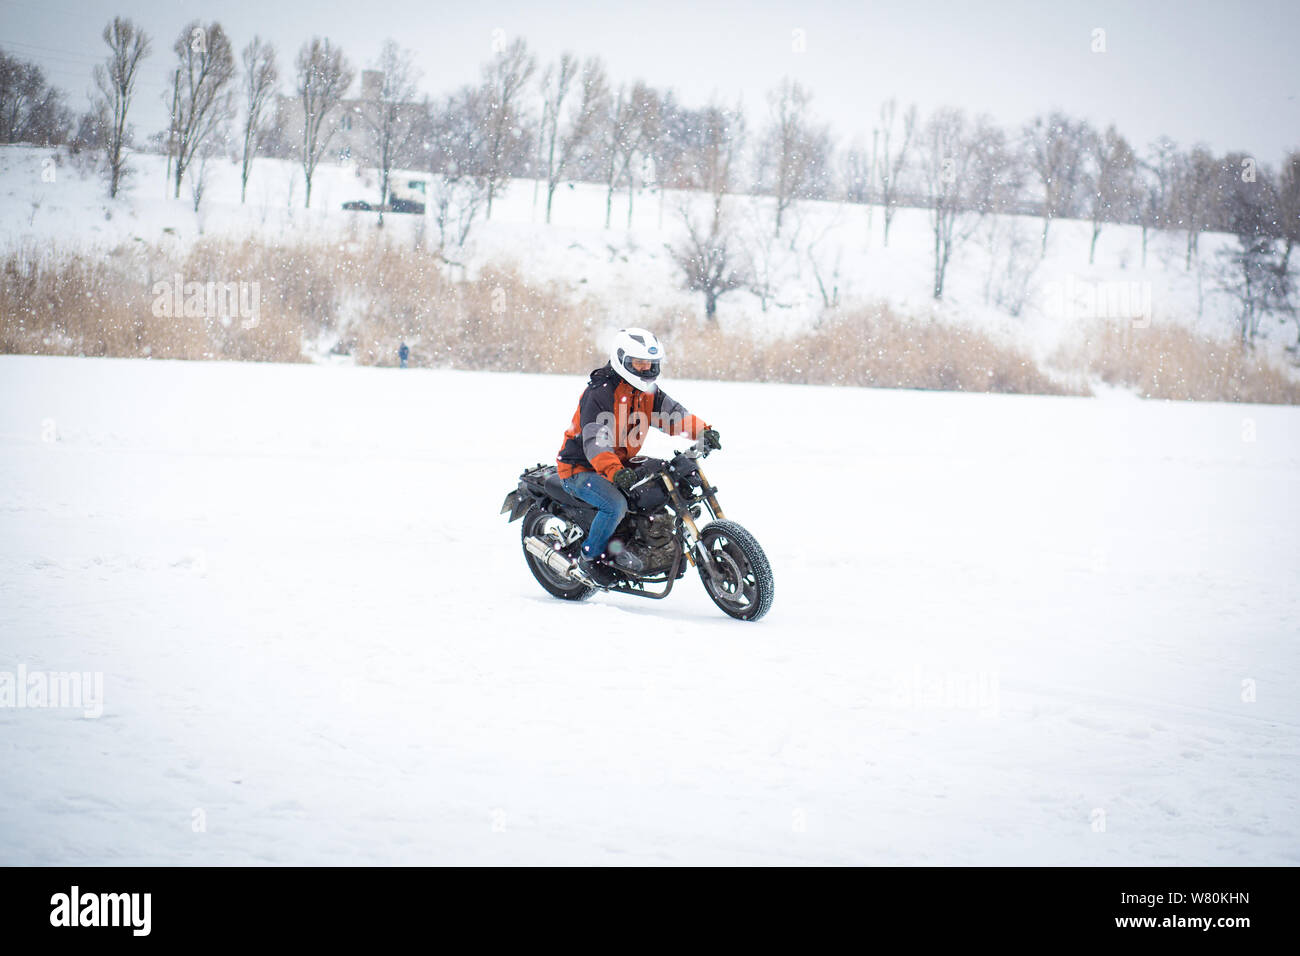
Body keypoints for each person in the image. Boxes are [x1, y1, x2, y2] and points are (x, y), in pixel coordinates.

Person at [555, 328, 721, 583]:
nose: (645, 370)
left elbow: (675, 415)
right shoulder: (600, 393)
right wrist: (614, 471)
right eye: (639, 363)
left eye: (650, 364)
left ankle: (651, 544)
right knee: (615, 505)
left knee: (668, 477)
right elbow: (595, 442)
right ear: (621, 359)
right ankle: (589, 558)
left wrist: (703, 431)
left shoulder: (647, 393)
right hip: (581, 467)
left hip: (620, 463)